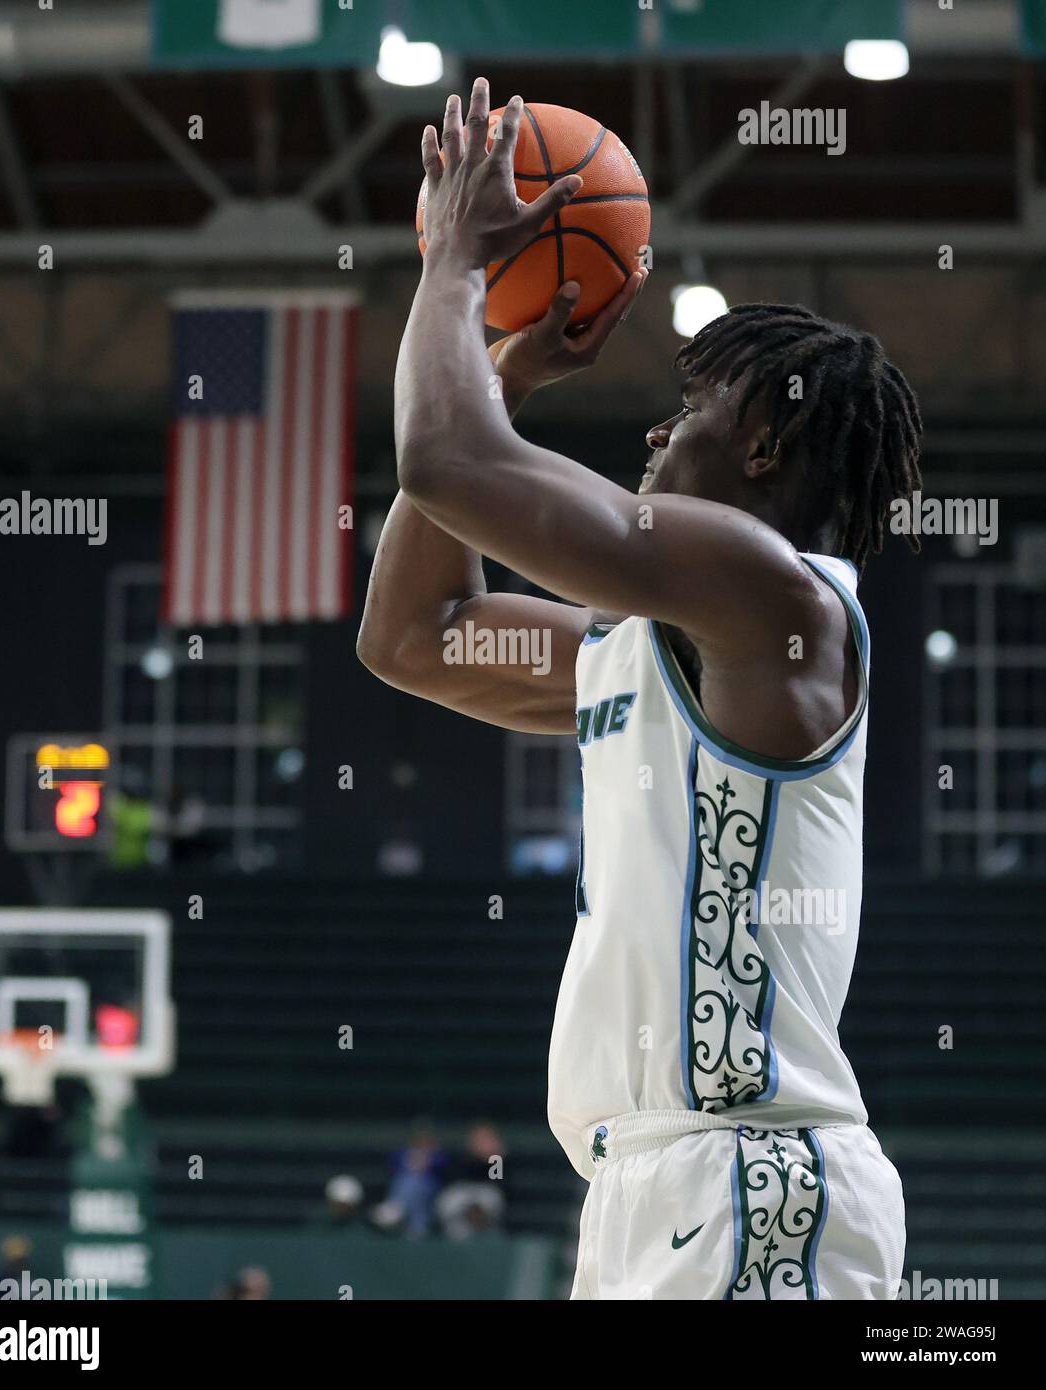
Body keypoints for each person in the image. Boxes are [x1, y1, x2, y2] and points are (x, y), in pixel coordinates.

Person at [359, 79, 921, 1300]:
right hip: (640, 1189)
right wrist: (498, 372)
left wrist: (456, 264)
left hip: (753, 1179)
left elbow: (445, 456)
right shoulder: (657, 645)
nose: (658, 439)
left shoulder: (783, 603)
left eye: (691, 411)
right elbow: (415, 634)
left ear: (766, 445)